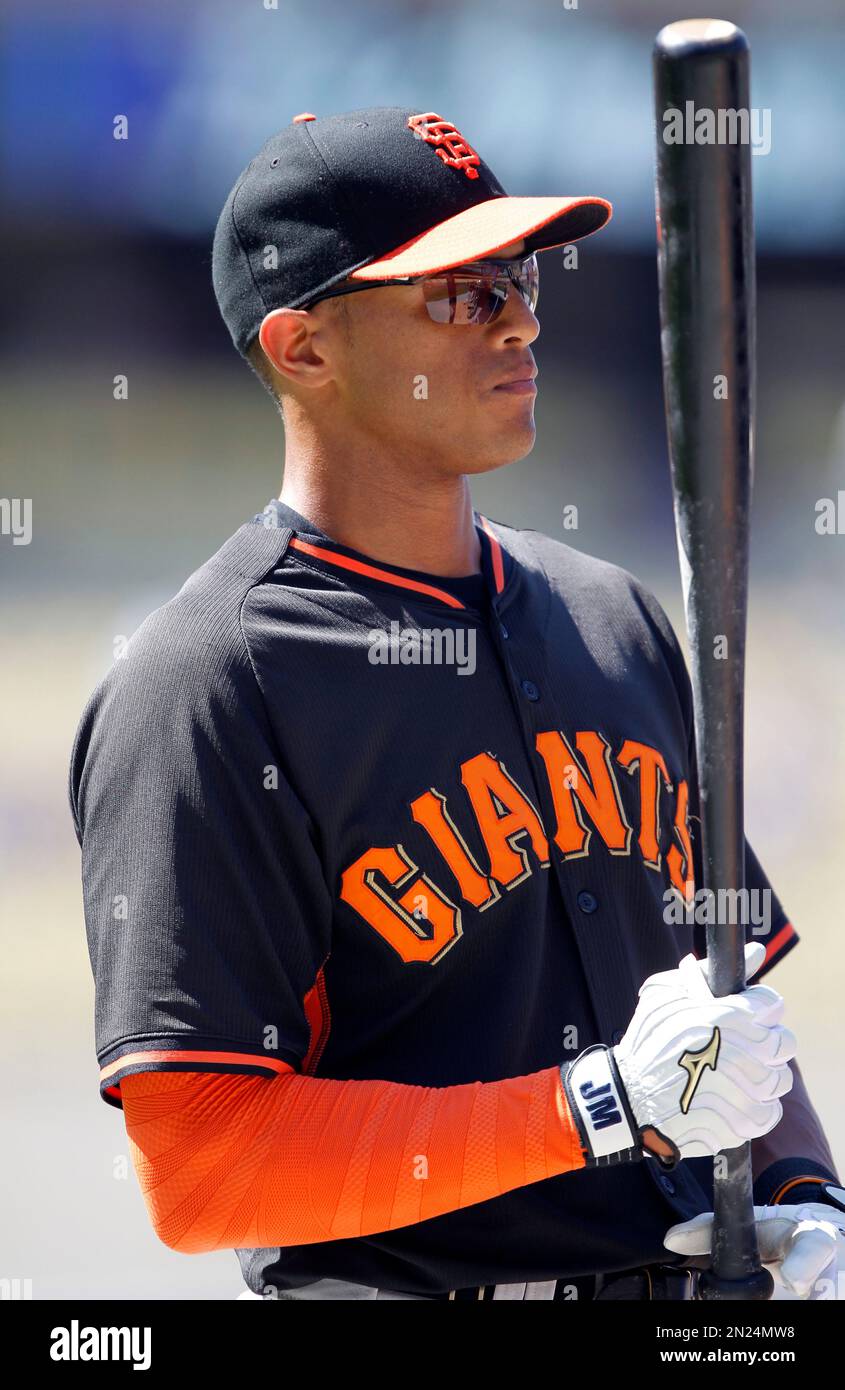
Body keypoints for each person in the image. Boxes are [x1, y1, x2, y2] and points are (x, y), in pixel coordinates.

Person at [69, 107, 842, 1301]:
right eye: (458, 293)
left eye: (516, 277)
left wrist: (804, 1197)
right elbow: (201, 1167)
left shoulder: (614, 615)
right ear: (302, 347)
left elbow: (728, 1012)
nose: (522, 318)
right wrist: (596, 1105)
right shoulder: (209, 682)